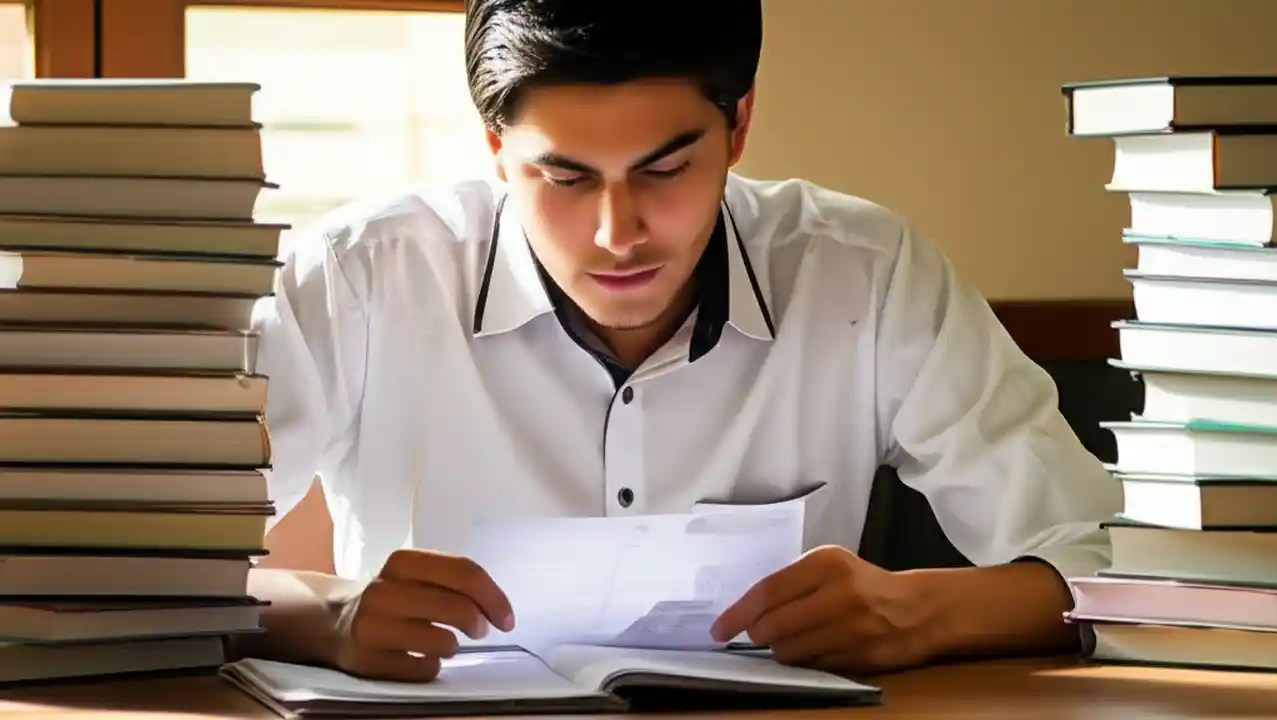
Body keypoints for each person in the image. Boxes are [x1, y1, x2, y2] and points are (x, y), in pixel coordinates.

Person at [238, 0, 1121, 682]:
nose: (618, 232)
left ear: (739, 127)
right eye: (565, 175)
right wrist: (332, 616)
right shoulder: (358, 278)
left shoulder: (865, 273)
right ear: (497, 148)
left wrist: (916, 612)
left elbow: (1102, 560)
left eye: (665, 170)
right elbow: (132, 568)